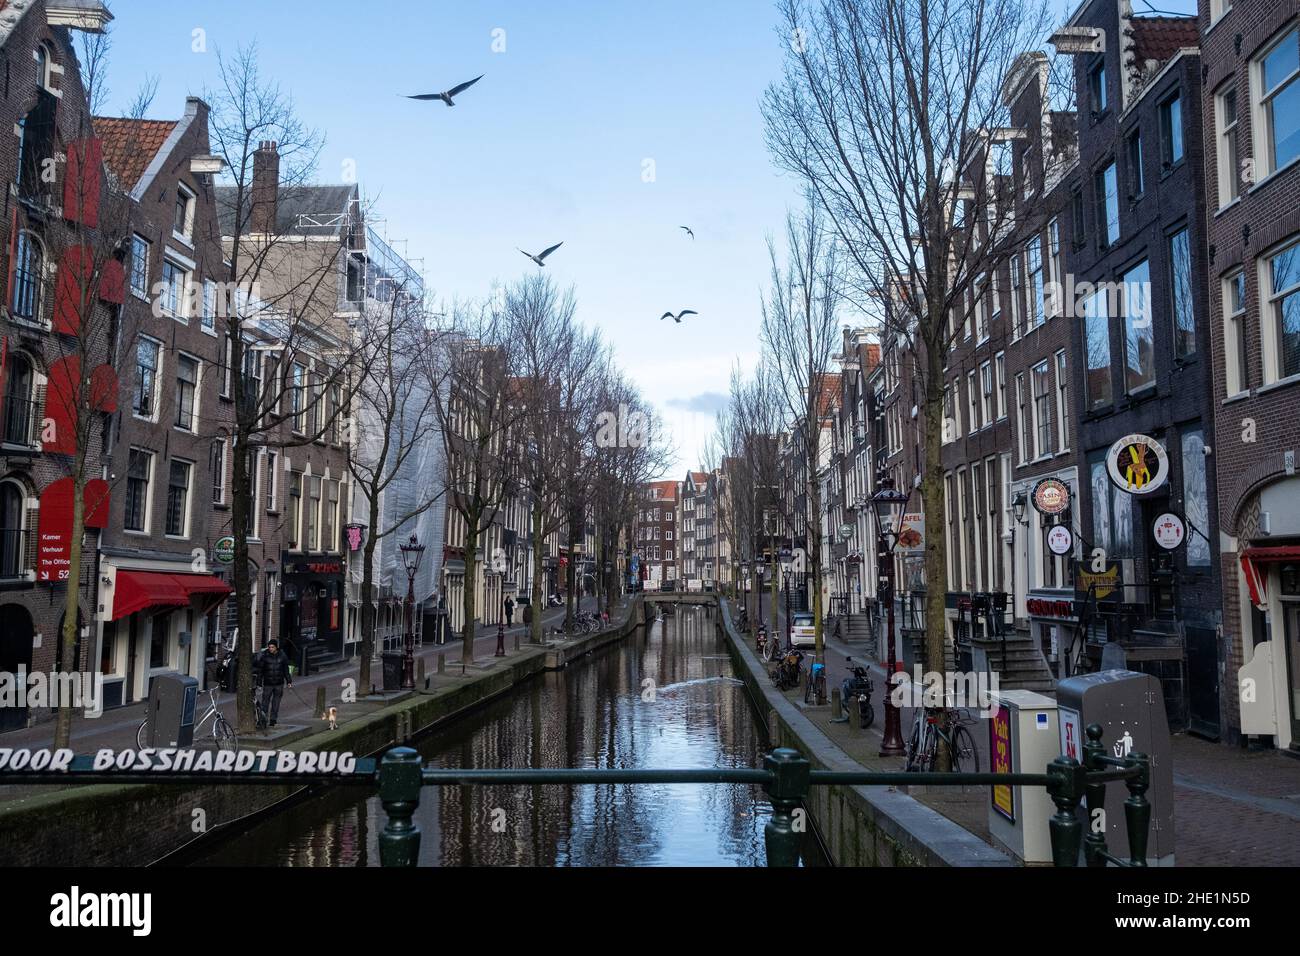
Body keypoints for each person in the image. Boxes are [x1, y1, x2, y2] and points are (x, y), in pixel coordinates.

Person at [253, 638, 293, 728]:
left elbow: (286, 670)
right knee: (265, 703)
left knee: (276, 702)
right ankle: (263, 720)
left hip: (279, 683)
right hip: (268, 683)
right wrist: (259, 683)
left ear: (276, 647)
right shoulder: (264, 656)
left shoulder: (282, 656)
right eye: (269, 647)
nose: (270, 649)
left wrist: (289, 681)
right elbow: (261, 671)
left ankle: (273, 720)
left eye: (272, 647)